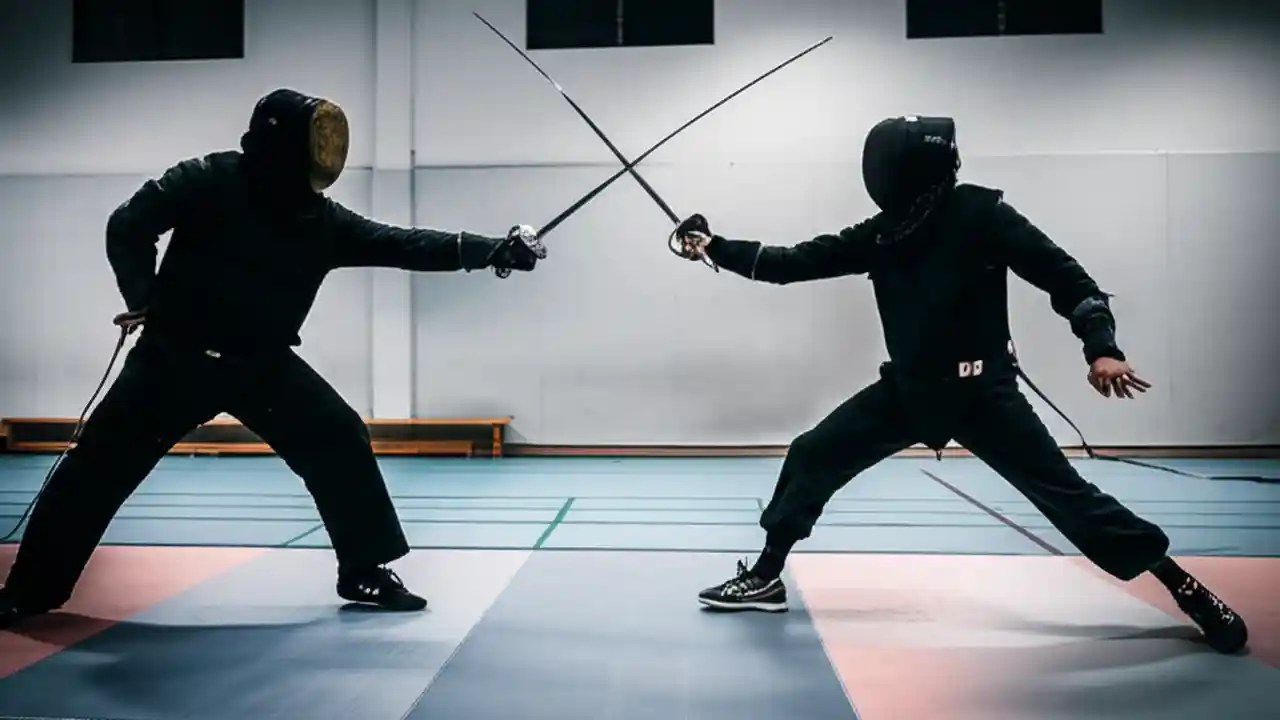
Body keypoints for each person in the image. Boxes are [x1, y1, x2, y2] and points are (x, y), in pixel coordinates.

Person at [672, 115, 1249, 655]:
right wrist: (714, 246)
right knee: (812, 454)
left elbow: (1067, 278)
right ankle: (766, 578)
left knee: (1073, 501)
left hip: (984, 398)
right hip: (910, 393)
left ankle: (1182, 584)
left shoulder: (983, 215)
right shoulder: (883, 234)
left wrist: (1101, 349)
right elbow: (790, 261)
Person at [0, 88, 545, 628]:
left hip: (260, 365)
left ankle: (363, 570)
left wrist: (494, 250)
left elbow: (403, 244)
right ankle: (28, 590)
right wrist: (144, 300)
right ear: (282, 143)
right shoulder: (208, 178)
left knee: (337, 436)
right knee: (96, 467)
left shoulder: (319, 220)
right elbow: (128, 224)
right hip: (172, 360)